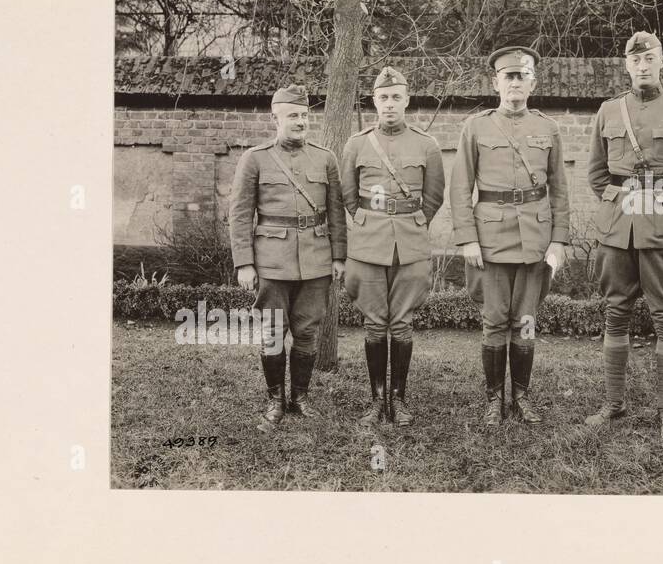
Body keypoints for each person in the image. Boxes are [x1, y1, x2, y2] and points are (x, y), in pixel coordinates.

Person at [585, 31, 663, 442]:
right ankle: (613, 402)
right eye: (635, 60)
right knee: (615, 314)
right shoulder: (608, 111)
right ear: (626, 65)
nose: (642, 66)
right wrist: (618, 197)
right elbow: (596, 174)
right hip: (617, 230)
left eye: (650, 58)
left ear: (662, 62)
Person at [450, 45, 570, 426]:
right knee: (494, 321)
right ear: (496, 82)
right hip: (490, 240)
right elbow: (459, 187)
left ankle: (521, 395)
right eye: (509, 76)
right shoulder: (477, 127)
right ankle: (493, 399)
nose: (515, 82)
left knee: (527, 320)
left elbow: (560, 189)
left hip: (535, 239)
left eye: (523, 75)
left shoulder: (548, 128)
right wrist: (467, 238)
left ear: (533, 81)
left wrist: (559, 240)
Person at [228, 84, 346, 426]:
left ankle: (301, 397)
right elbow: (239, 213)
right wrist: (244, 263)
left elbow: (336, 211)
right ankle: (275, 400)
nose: (301, 121)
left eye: (305, 115)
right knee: (272, 331)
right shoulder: (256, 158)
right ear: (275, 118)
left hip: (316, 260)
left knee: (308, 332)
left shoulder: (325, 158)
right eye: (293, 115)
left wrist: (339, 256)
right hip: (271, 260)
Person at [340, 66, 446, 426]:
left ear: (406, 101)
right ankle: (376, 401)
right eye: (383, 97)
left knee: (401, 324)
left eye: (396, 97)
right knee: (374, 325)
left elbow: (433, 198)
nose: (389, 104)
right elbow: (349, 197)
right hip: (368, 245)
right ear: (374, 101)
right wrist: (372, 222)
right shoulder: (356, 144)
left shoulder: (426, 145)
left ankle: (398, 400)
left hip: (410, 244)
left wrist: (410, 222)